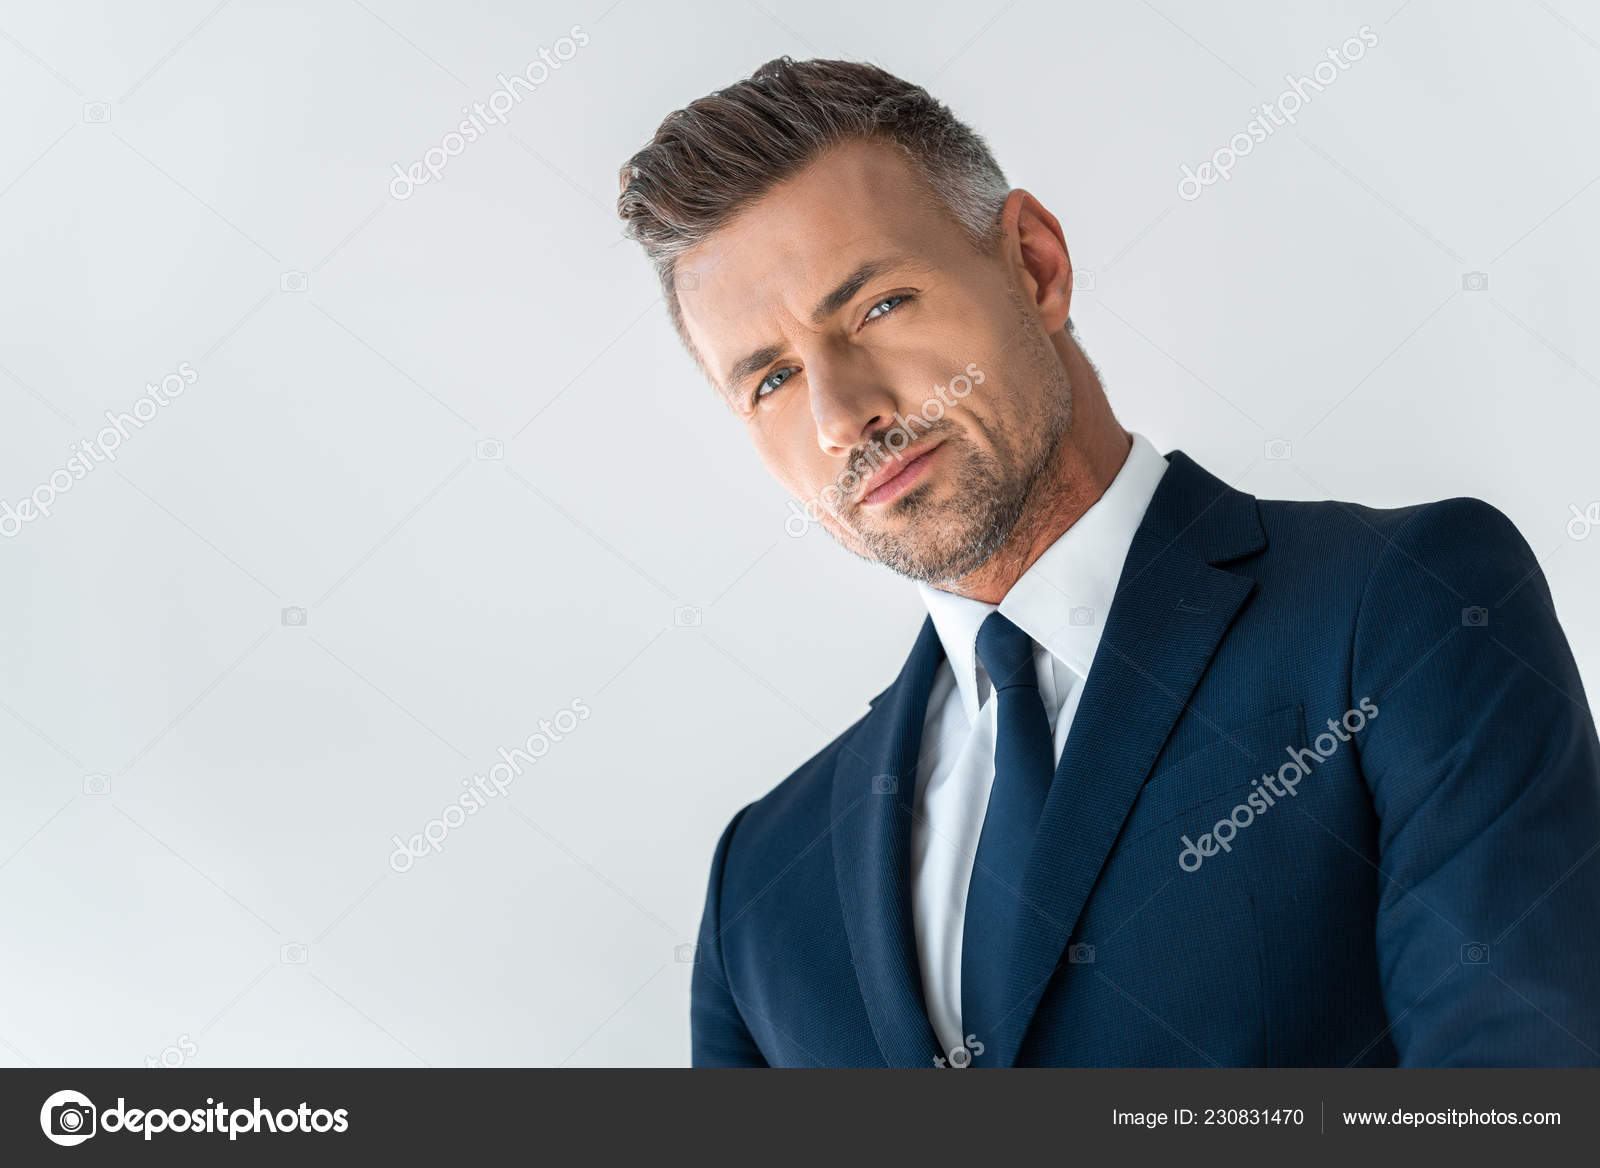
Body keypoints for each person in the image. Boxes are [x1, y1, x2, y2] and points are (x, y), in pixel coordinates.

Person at [616, 57, 1600, 1067]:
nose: (840, 415)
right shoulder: (763, 885)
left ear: (1034, 265)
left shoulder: (1404, 609)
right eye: (771, 379)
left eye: (874, 309)